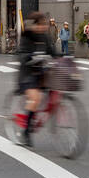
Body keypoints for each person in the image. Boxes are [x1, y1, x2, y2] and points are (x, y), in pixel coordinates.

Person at [15, 10, 60, 147]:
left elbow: (52, 52)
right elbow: (21, 54)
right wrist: (30, 57)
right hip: (27, 73)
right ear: (34, 25)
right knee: (35, 98)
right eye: (40, 25)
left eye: (44, 25)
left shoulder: (45, 37)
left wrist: (63, 56)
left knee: (55, 91)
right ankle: (26, 132)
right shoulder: (27, 36)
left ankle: (38, 113)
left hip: (42, 73)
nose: (43, 27)